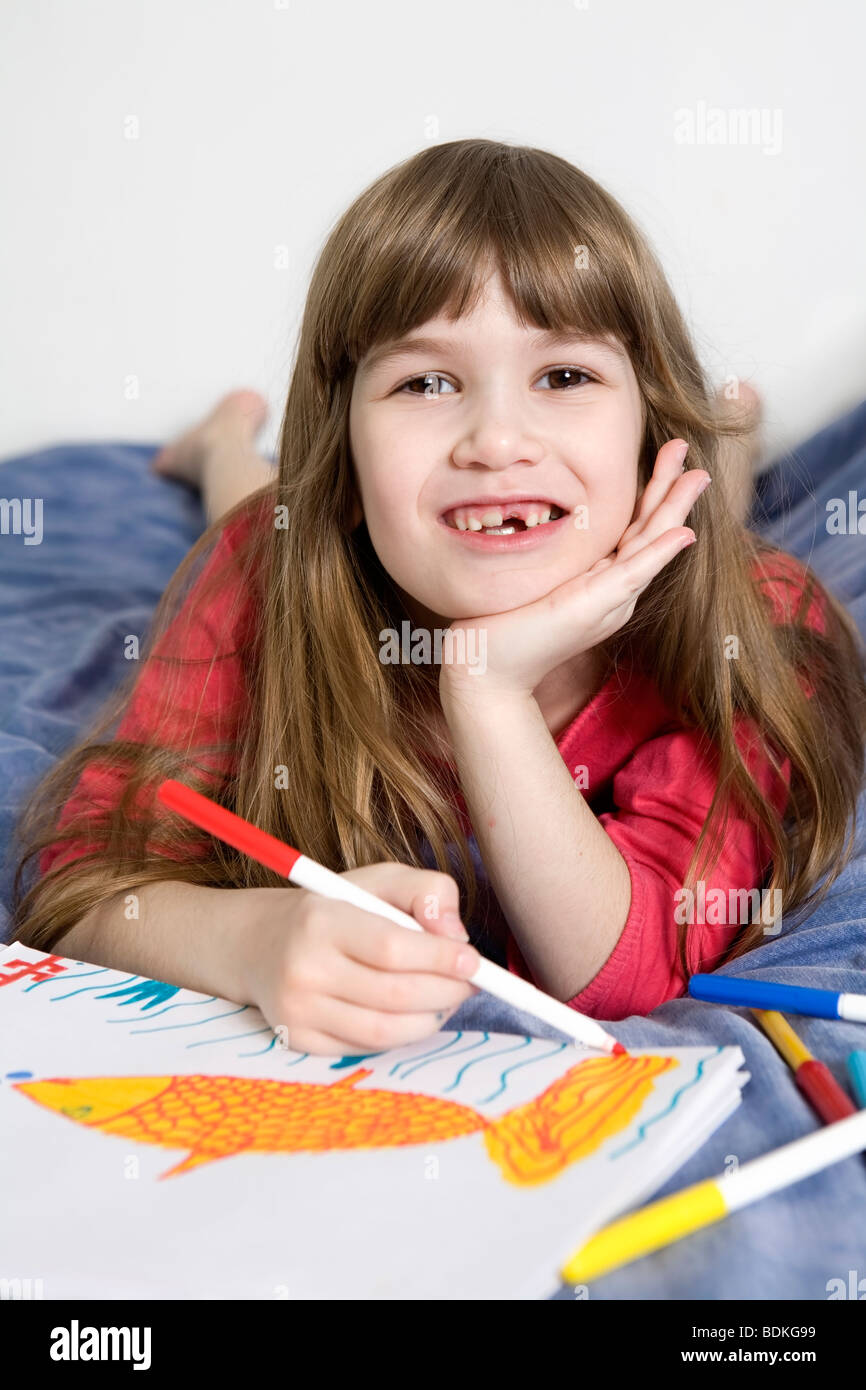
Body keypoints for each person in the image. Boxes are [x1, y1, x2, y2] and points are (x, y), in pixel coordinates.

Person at [11, 139, 866, 1055]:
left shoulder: (763, 624)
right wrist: (250, 939)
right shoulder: (274, 554)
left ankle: (727, 432)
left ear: (646, 417)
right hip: (299, 521)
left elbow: (626, 974)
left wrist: (486, 691)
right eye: (425, 382)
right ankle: (226, 440)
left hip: (671, 507)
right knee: (251, 510)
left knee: (709, 511)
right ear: (342, 460)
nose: (496, 440)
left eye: (565, 375)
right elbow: (84, 889)